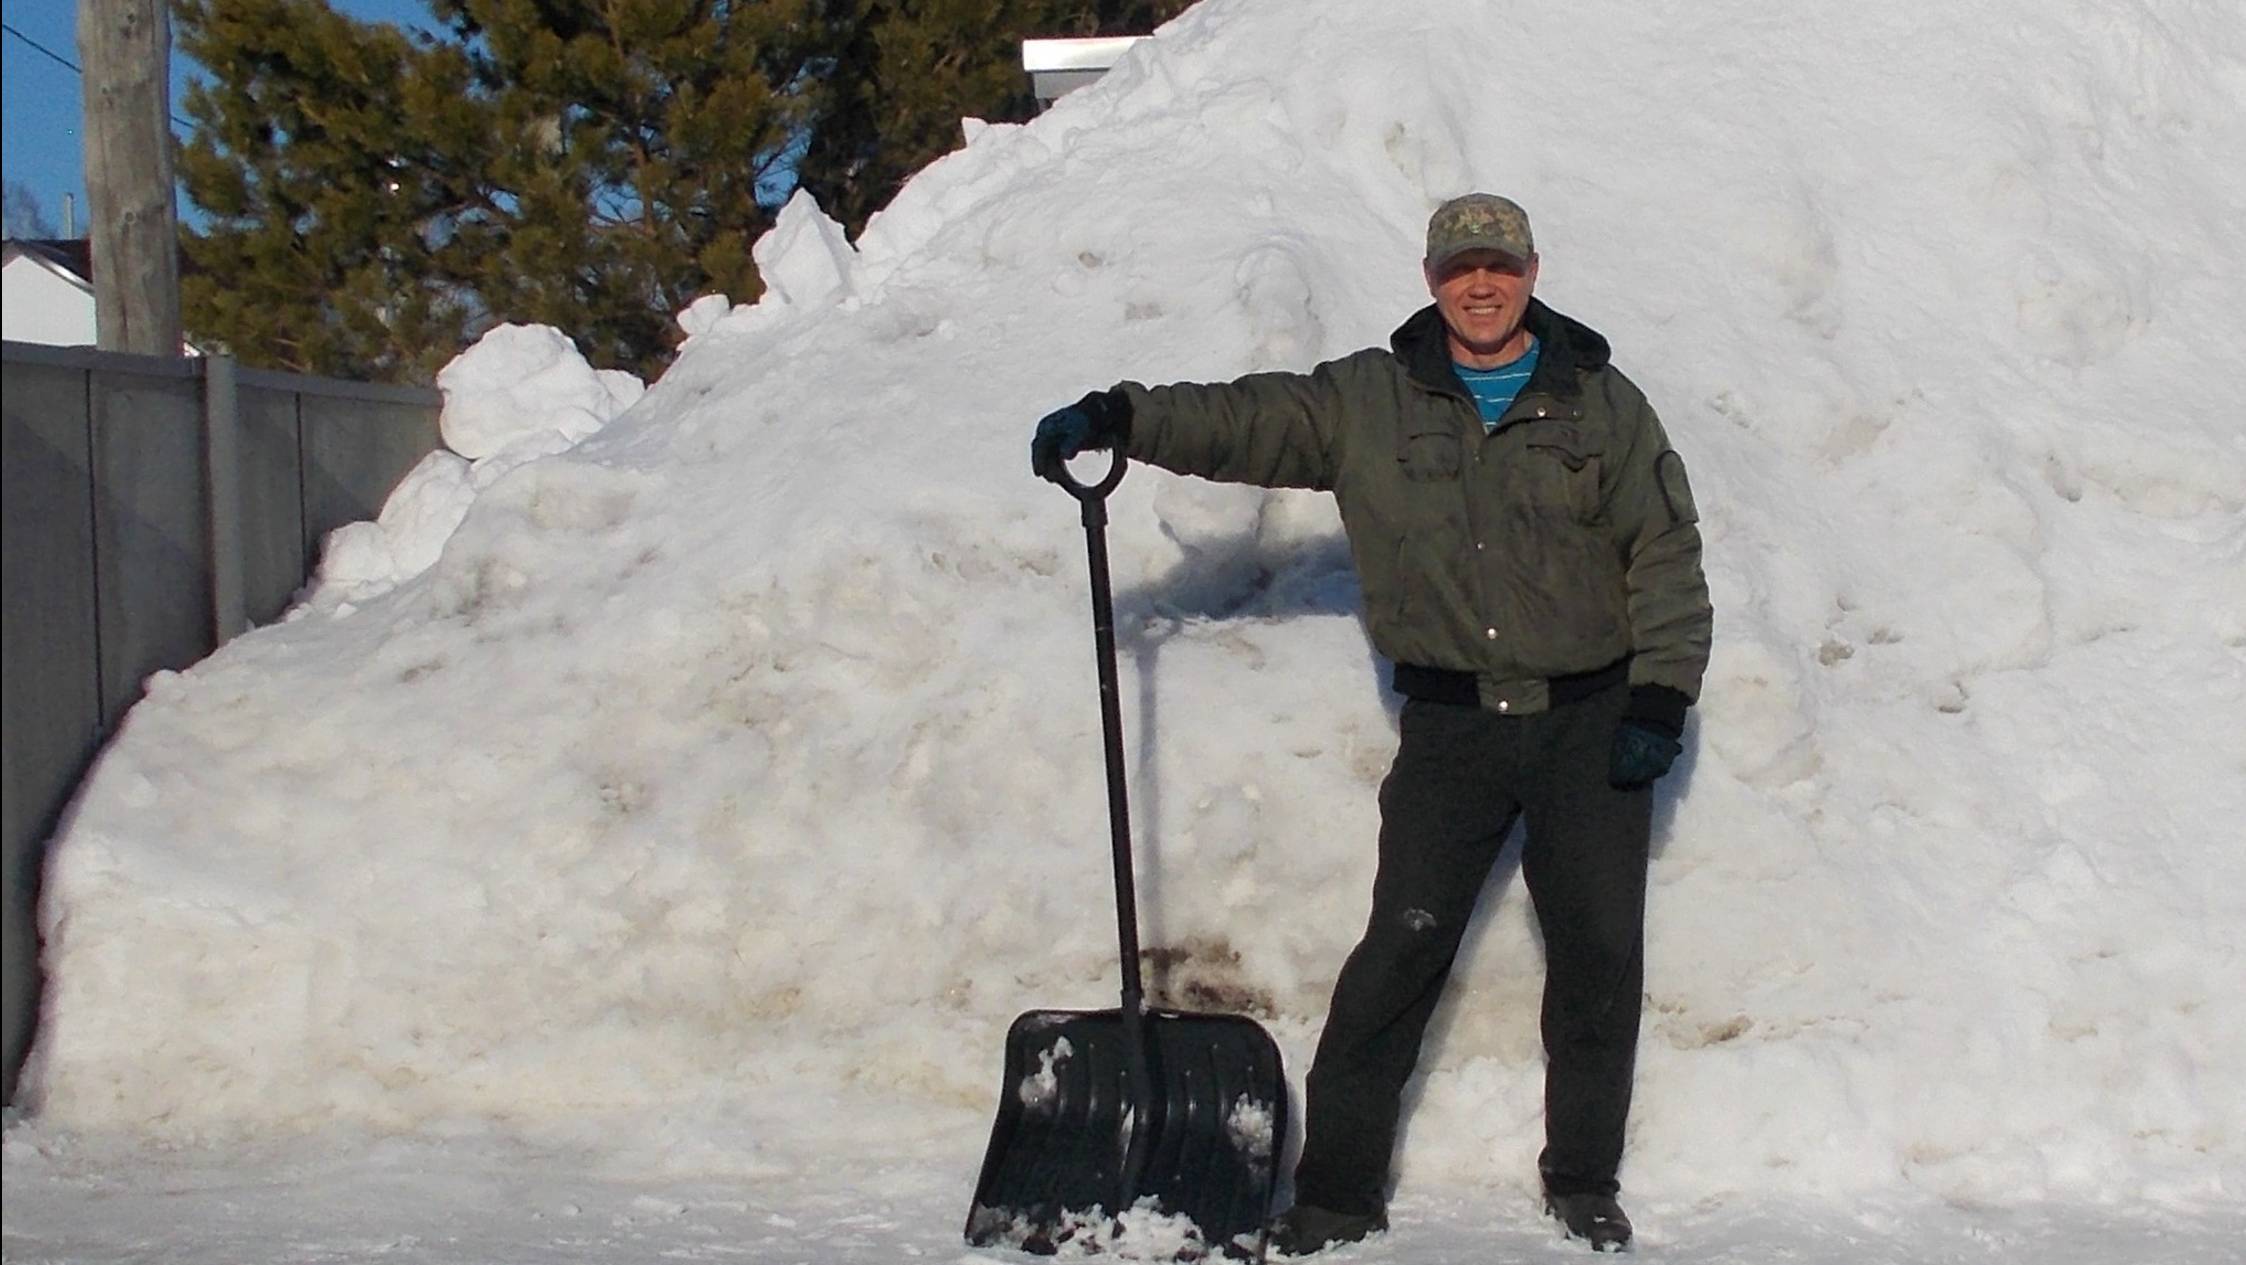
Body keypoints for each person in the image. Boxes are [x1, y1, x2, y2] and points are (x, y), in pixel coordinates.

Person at [1028, 193, 1712, 1255]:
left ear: (1531, 272)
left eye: (1498, 266)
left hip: (1587, 721)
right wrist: (1122, 416)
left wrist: (1660, 694)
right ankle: (1338, 1194)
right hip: (1452, 730)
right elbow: (1247, 418)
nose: (1480, 285)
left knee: (1596, 955)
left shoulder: (1601, 404)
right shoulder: (1369, 399)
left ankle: (1582, 1177)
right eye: (1459, 267)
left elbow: (1664, 551)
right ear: (1431, 278)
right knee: (1399, 949)